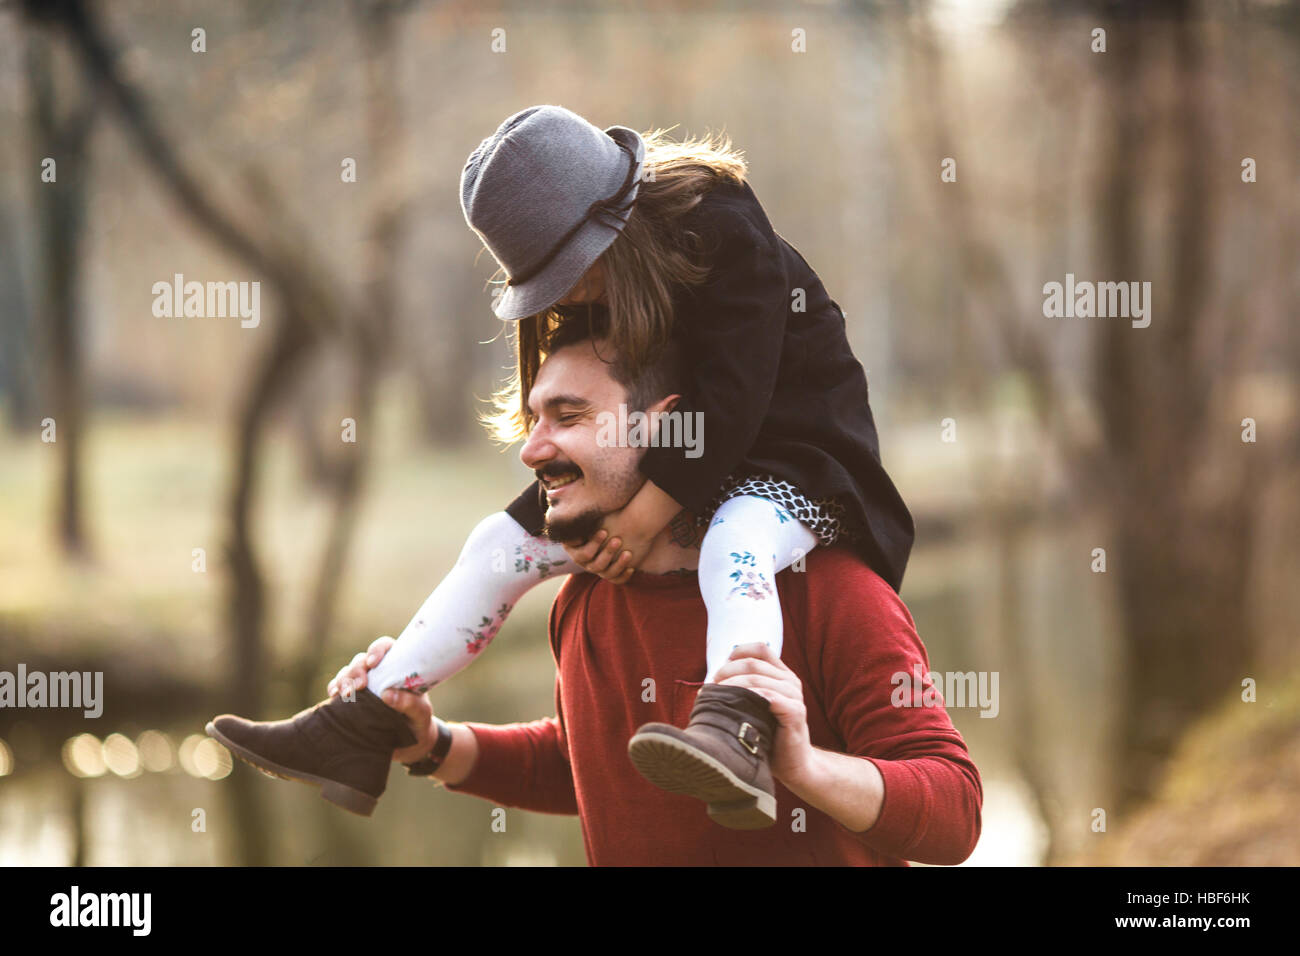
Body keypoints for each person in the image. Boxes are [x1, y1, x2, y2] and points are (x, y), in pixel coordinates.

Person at [206, 104, 915, 827]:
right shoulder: (607, 285)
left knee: (734, 544)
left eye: (569, 275)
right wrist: (438, 747)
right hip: (668, 451)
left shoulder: (722, 232)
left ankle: (739, 722)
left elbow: (733, 398)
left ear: (612, 225)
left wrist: (639, 521)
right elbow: (582, 764)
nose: (565, 299)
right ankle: (366, 718)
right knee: (497, 544)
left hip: (796, 458)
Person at [324, 323, 982, 865]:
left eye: (569, 415)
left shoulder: (831, 592)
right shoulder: (585, 599)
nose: (532, 450)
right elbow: (587, 765)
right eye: (533, 418)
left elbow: (956, 811)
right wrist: (431, 743)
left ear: (664, 431)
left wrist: (804, 768)